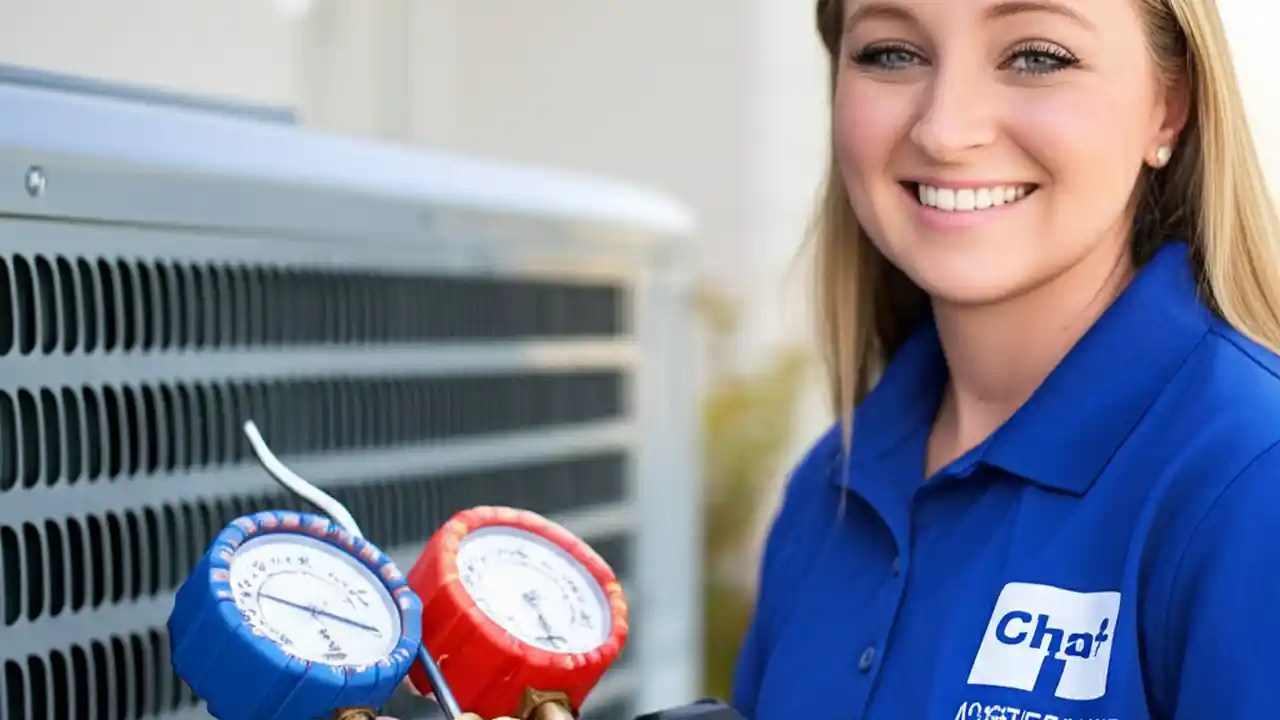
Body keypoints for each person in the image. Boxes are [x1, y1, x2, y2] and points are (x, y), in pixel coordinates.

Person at [729, 0, 1280, 717]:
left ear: (1168, 108)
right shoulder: (831, 486)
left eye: (1037, 56)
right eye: (891, 53)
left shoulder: (1250, 480)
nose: (945, 130)